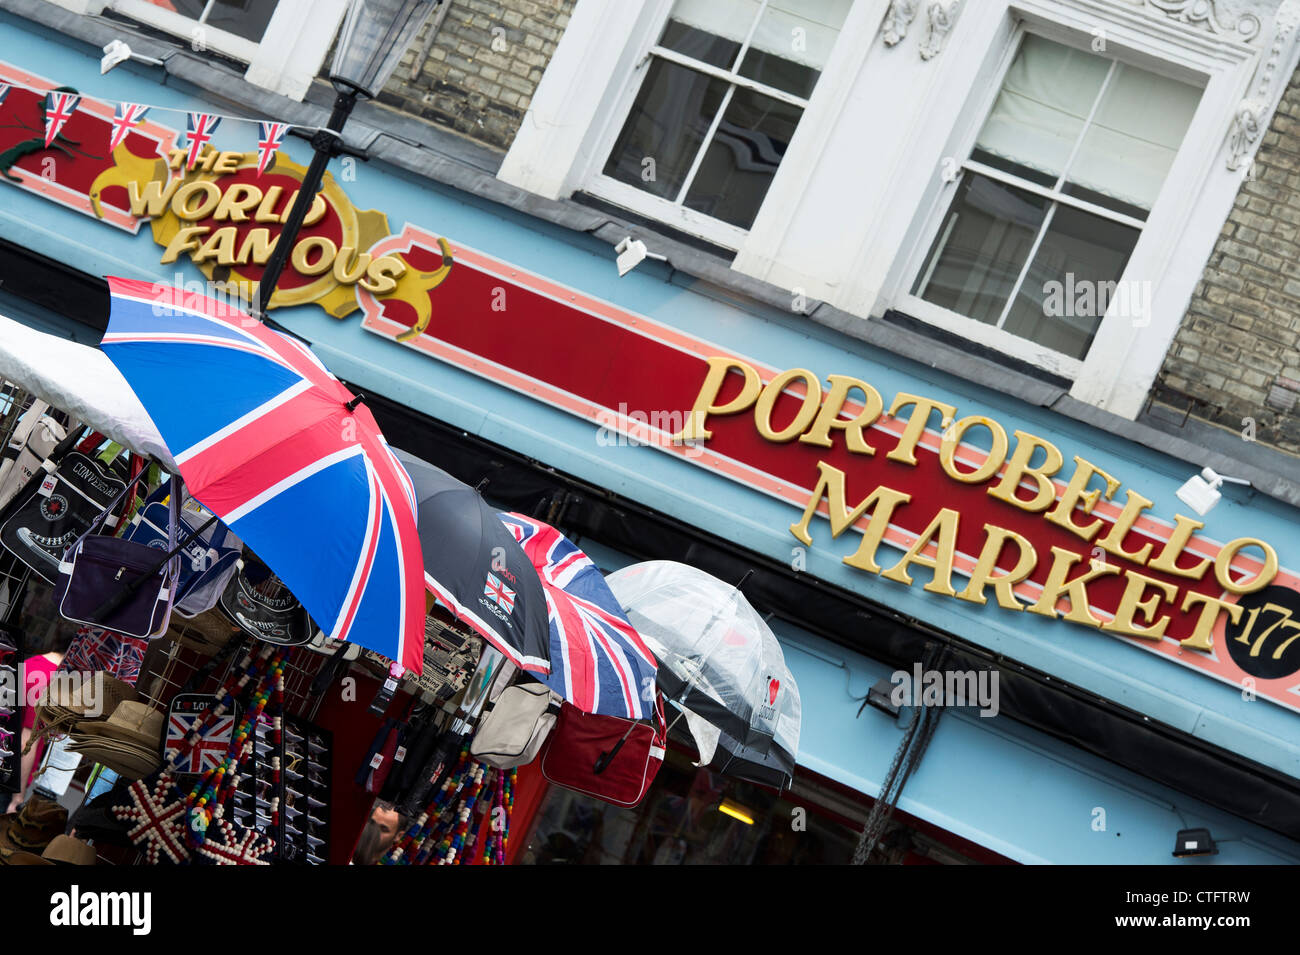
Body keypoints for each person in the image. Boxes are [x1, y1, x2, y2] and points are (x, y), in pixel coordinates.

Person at [7, 635, 67, 813]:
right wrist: (17, 797)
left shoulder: (31, 663)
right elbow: (27, 741)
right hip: (8, 776)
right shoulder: (50, 678)